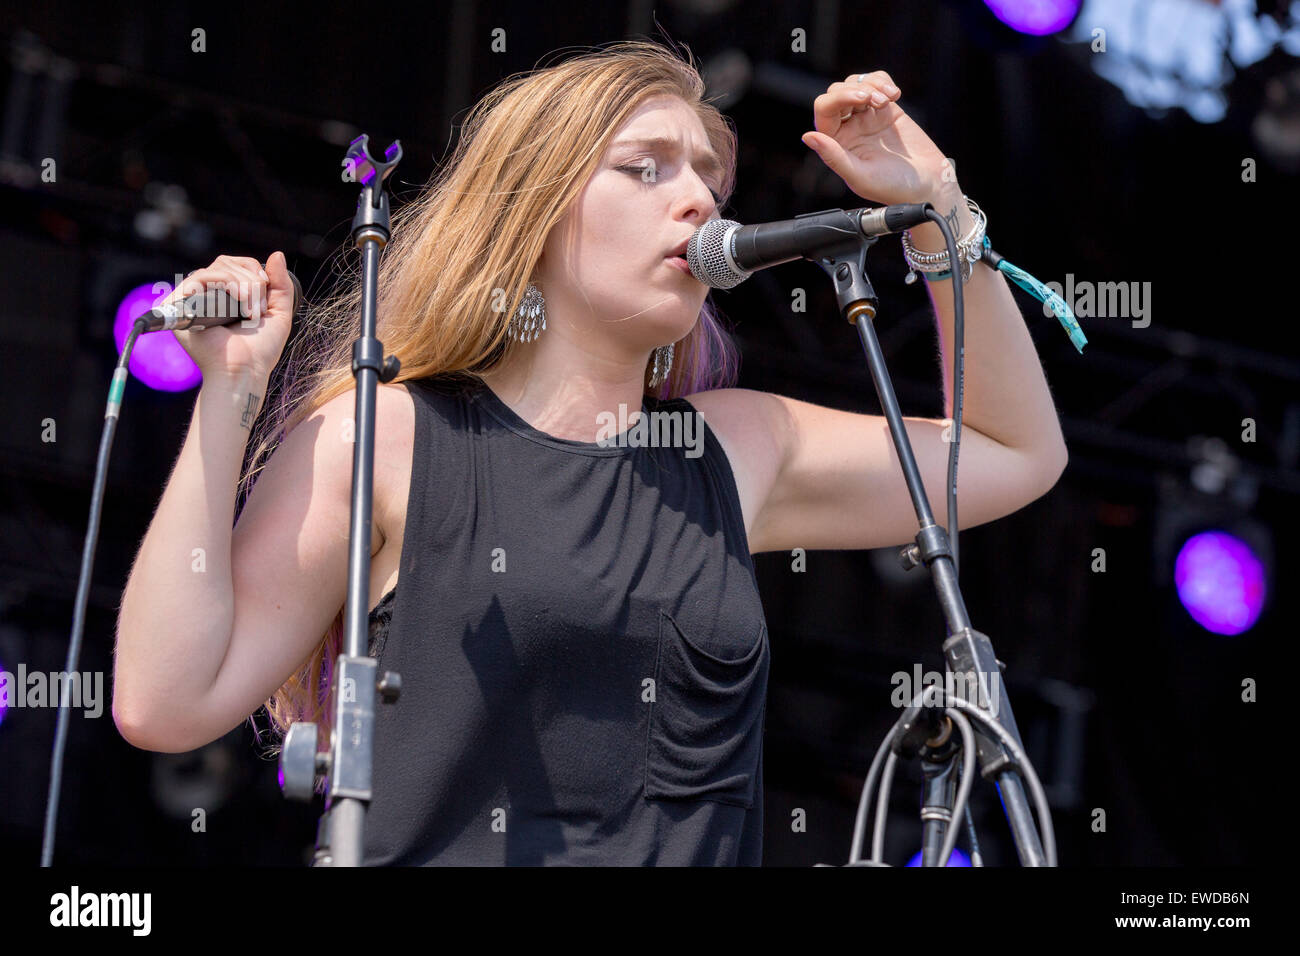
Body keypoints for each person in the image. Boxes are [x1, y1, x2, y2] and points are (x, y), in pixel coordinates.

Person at [112, 40, 1068, 865]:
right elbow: (166, 700)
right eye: (645, 167)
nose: (696, 199)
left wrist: (941, 211)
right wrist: (230, 397)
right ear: (531, 210)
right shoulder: (390, 436)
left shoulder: (737, 448)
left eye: (708, 176)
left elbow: (1011, 452)